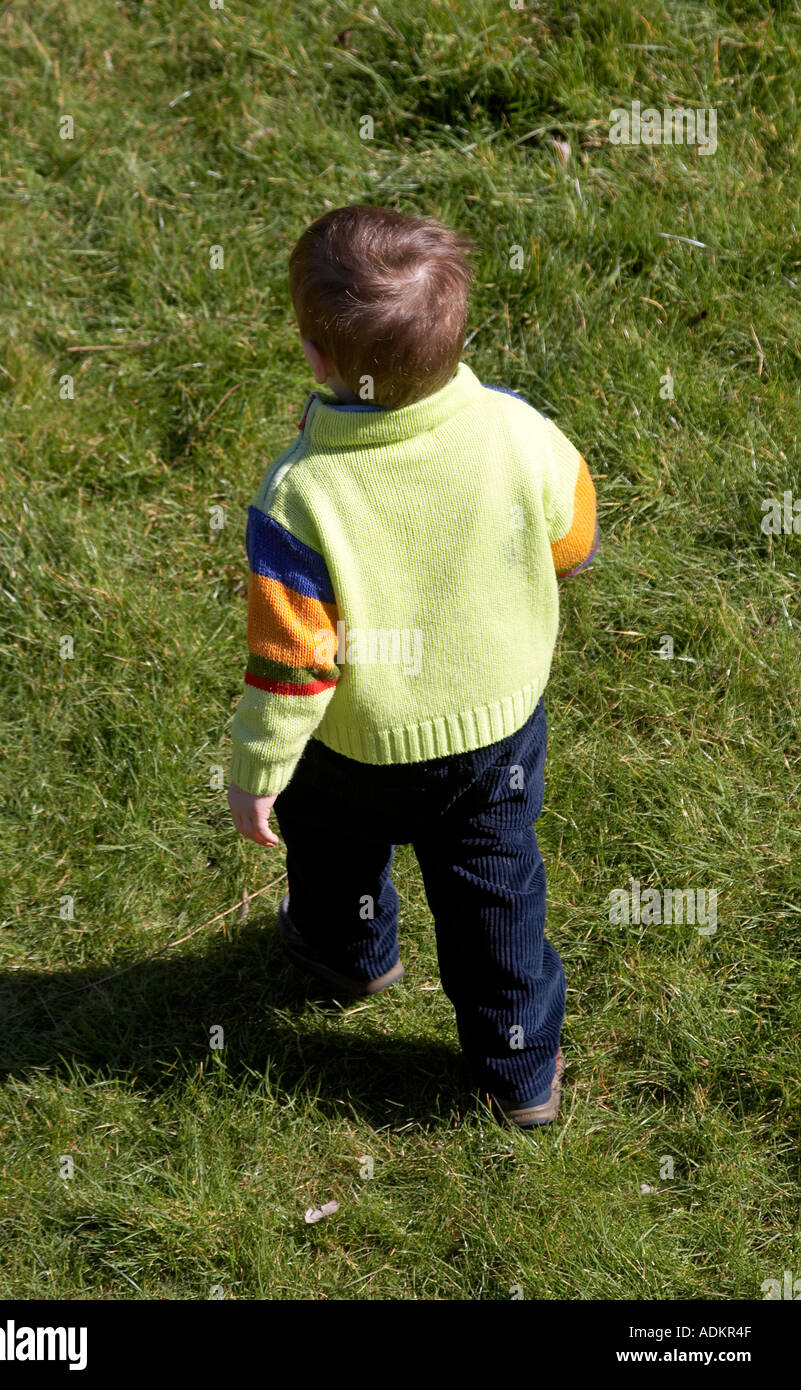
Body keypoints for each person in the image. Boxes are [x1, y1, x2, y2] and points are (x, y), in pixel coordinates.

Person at [227, 204, 597, 1127]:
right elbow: (573, 540)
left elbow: (293, 667)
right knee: (495, 895)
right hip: (496, 735)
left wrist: (256, 775)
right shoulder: (518, 431)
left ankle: (347, 956)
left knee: (332, 850)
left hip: (350, 748)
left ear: (317, 360)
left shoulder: (301, 495)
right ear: (456, 332)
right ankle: (517, 1078)